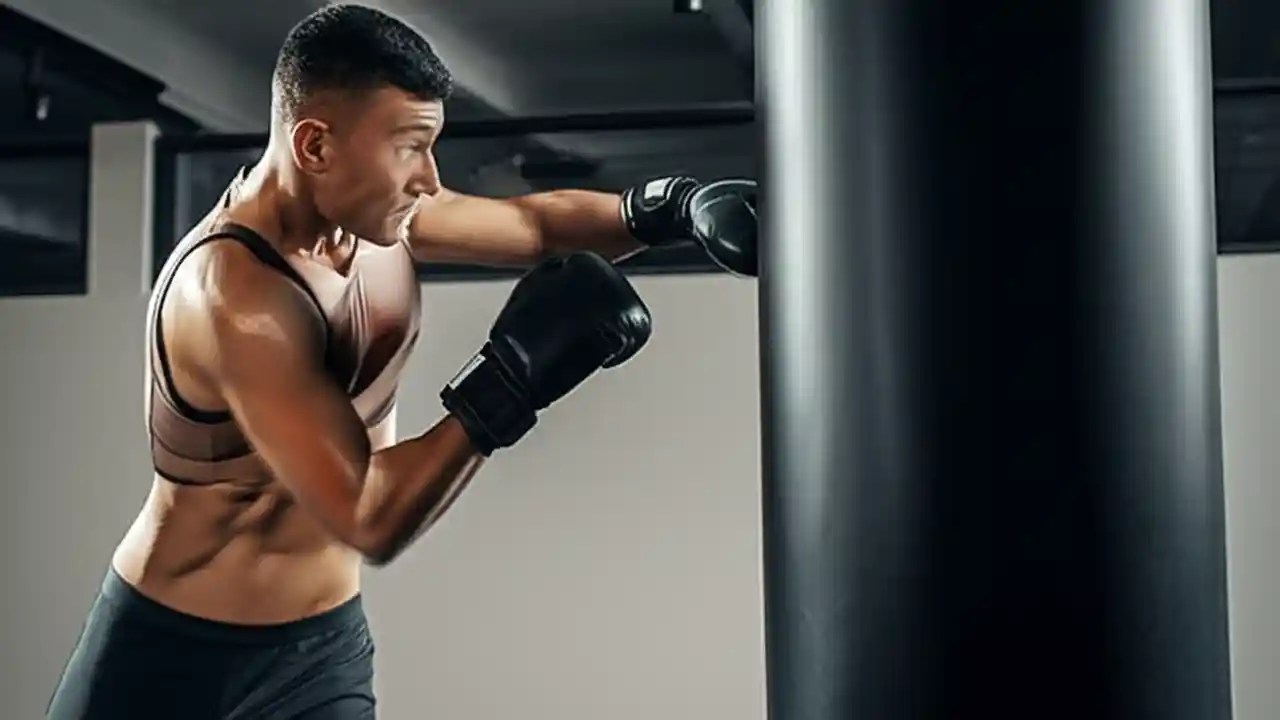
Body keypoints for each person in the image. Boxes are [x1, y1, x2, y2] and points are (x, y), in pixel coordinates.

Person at [45, 3, 757, 719]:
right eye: (409, 147)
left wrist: (675, 208)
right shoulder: (235, 296)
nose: (428, 178)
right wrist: (512, 380)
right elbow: (367, 515)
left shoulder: (377, 220)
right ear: (315, 145)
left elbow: (533, 225)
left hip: (319, 650)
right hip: (167, 660)